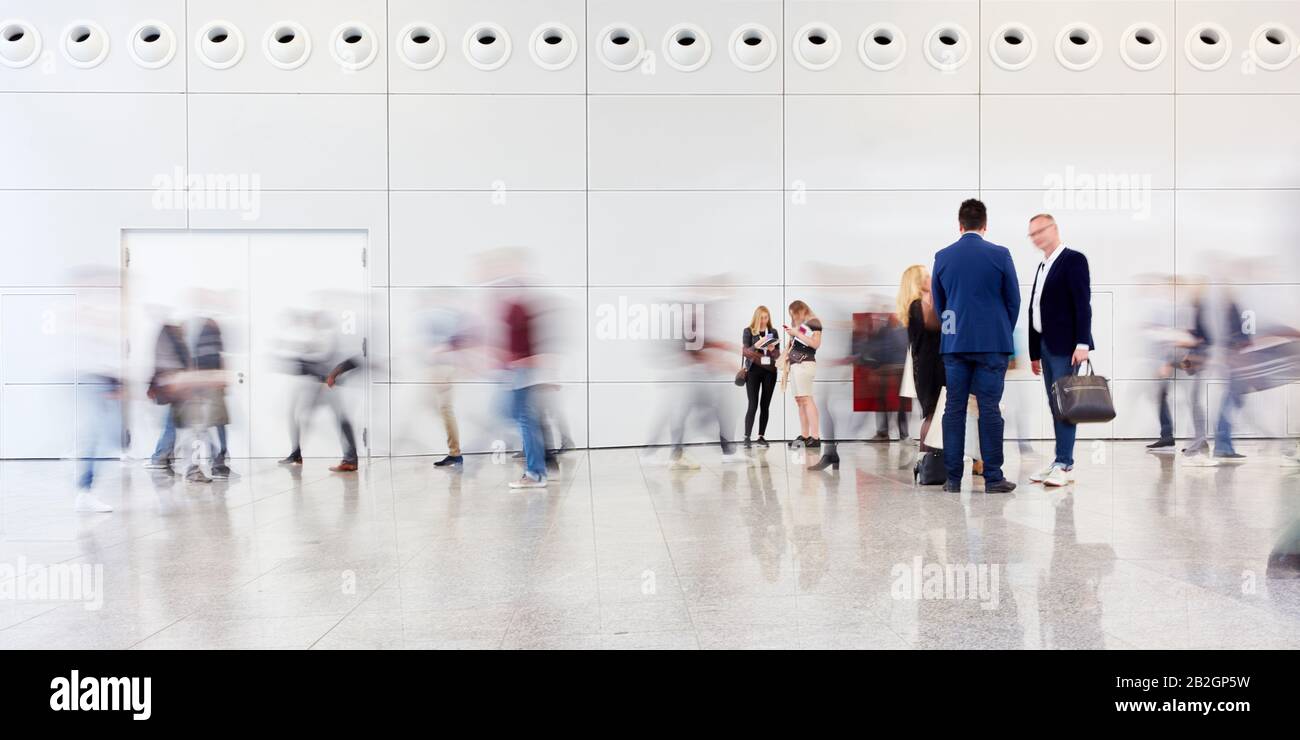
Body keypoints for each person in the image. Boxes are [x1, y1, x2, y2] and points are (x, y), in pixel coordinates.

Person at [930, 199, 1019, 493]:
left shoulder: (942, 257)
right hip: (992, 344)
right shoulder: (1001, 254)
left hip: (955, 344)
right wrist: (1000, 329)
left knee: (954, 408)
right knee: (989, 408)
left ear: (959, 225)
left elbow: (940, 304)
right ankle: (993, 477)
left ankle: (953, 480)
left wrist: (953, 332)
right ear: (985, 225)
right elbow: (1013, 300)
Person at [1025, 214, 1093, 487]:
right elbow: (1035, 309)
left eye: (1041, 231)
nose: (1037, 237)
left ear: (1054, 229)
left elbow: (1082, 304)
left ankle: (1066, 464)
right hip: (1045, 346)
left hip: (1066, 346)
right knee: (1055, 406)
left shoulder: (1073, 259)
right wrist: (1033, 352)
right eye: (1032, 234)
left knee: (1065, 406)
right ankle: (1058, 460)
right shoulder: (1043, 265)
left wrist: (1082, 343)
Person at [502, 294, 548, 488]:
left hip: (523, 371)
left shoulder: (518, 310)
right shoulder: (520, 309)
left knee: (524, 419)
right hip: (522, 371)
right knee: (522, 418)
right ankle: (537, 469)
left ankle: (535, 472)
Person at [899, 265, 944, 454]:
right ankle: (926, 460)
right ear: (917, 282)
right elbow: (934, 326)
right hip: (929, 368)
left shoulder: (919, 305)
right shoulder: (917, 305)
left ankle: (926, 460)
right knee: (932, 414)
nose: (931, 279)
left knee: (933, 414)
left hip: (930, 365)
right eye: (926, 277)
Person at [143, 321, 190, 474]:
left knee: (171, 424)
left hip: (175, 388)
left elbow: (161, 365)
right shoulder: (178, 343)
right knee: (172, 424)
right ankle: (165, 456)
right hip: (178, 388)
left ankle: (160, 458)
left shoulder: (170, 340)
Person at [783, 300, 823, 453]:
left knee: (806, 398)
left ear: (801, 310)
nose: (793, 317)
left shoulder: (814, 322)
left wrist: (796, 333)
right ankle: (805, 436)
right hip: (795, 364)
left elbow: (815, 344)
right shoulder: (802, 325)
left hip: (805, 364)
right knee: (800, 400)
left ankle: (815, 437)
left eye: (794, 314)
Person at [741, 305, 780, 448]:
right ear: (757, 318)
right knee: (753, 404)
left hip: (769, 371)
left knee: (765, 405)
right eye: (762, 318)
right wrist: (756, 344)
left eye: (766, 317)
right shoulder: (748, 331)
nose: (764, 320)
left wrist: (772, 349)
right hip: (753, 371)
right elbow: (746, 352)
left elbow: (778, 355)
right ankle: (747, 437)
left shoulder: (773, 332)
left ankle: (761, 436)